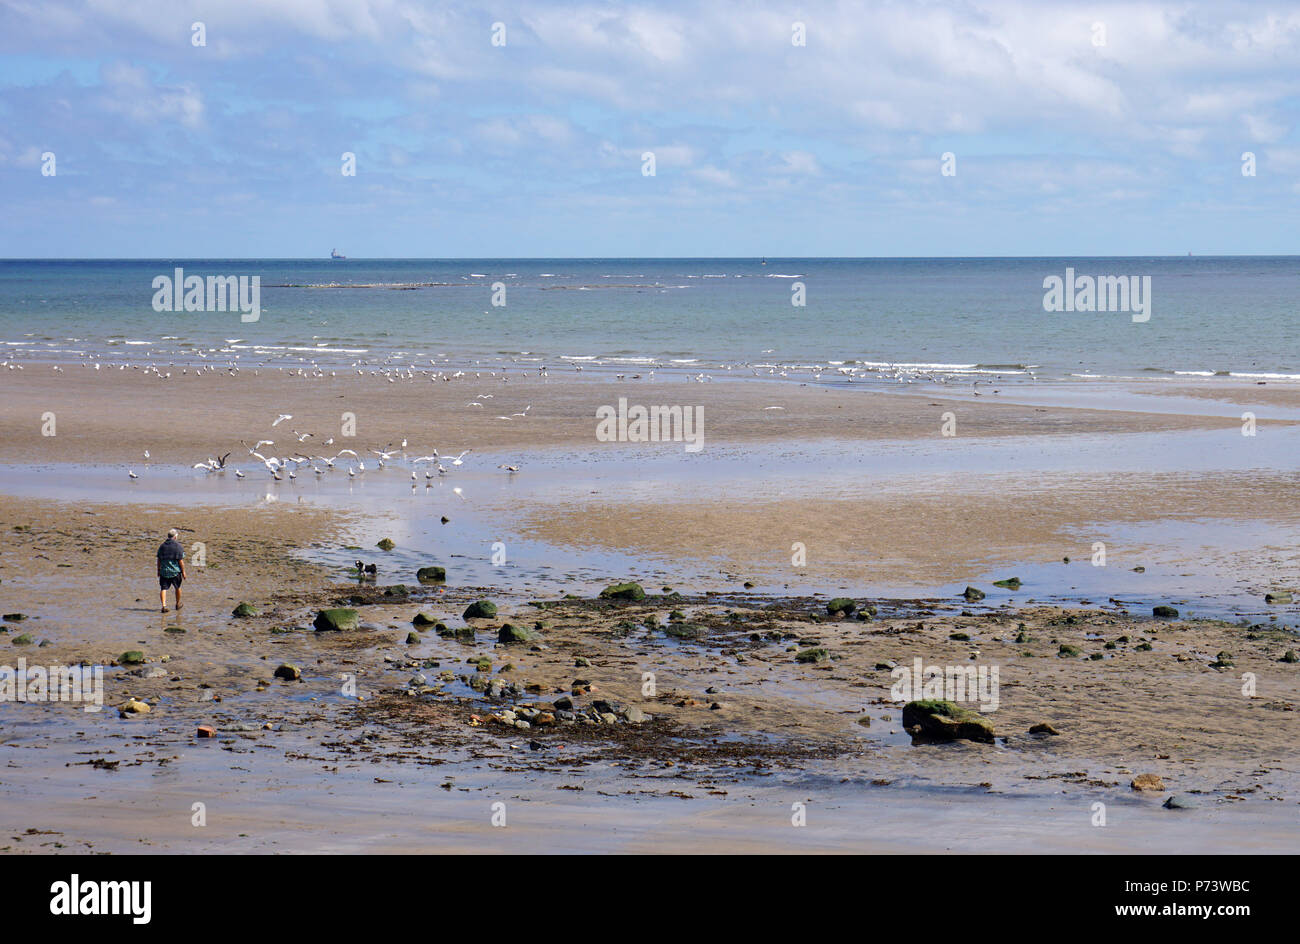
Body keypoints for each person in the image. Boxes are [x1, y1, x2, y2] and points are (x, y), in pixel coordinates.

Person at [157, 529, 186, 613]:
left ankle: (163, 606)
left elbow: (159, 559)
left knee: (163, 588)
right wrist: (183, 572)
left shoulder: (162, 546)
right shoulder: (178, 546)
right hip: (175, 571)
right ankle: (177, 603)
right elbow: (181, 561)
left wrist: (158, 570)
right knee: (178, 587)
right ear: (175, 537)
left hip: (164, 571)